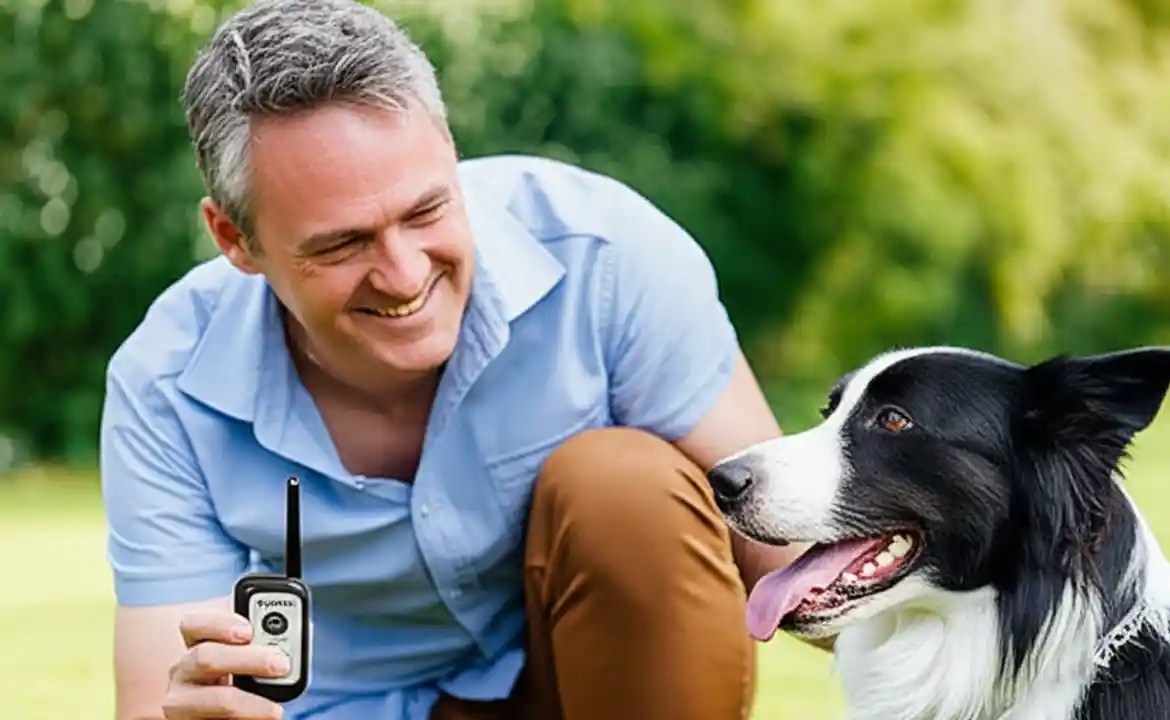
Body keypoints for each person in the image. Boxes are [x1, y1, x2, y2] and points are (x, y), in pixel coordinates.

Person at [100, 0, 806, 718]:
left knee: (624, 487)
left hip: (586, 684)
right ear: (234, 240)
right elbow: (159, 695)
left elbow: (793, 550)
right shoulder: (164, 384)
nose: (404, 276)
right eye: (342, 245)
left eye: (425, 212)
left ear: (449, 150)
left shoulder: (609, 259)